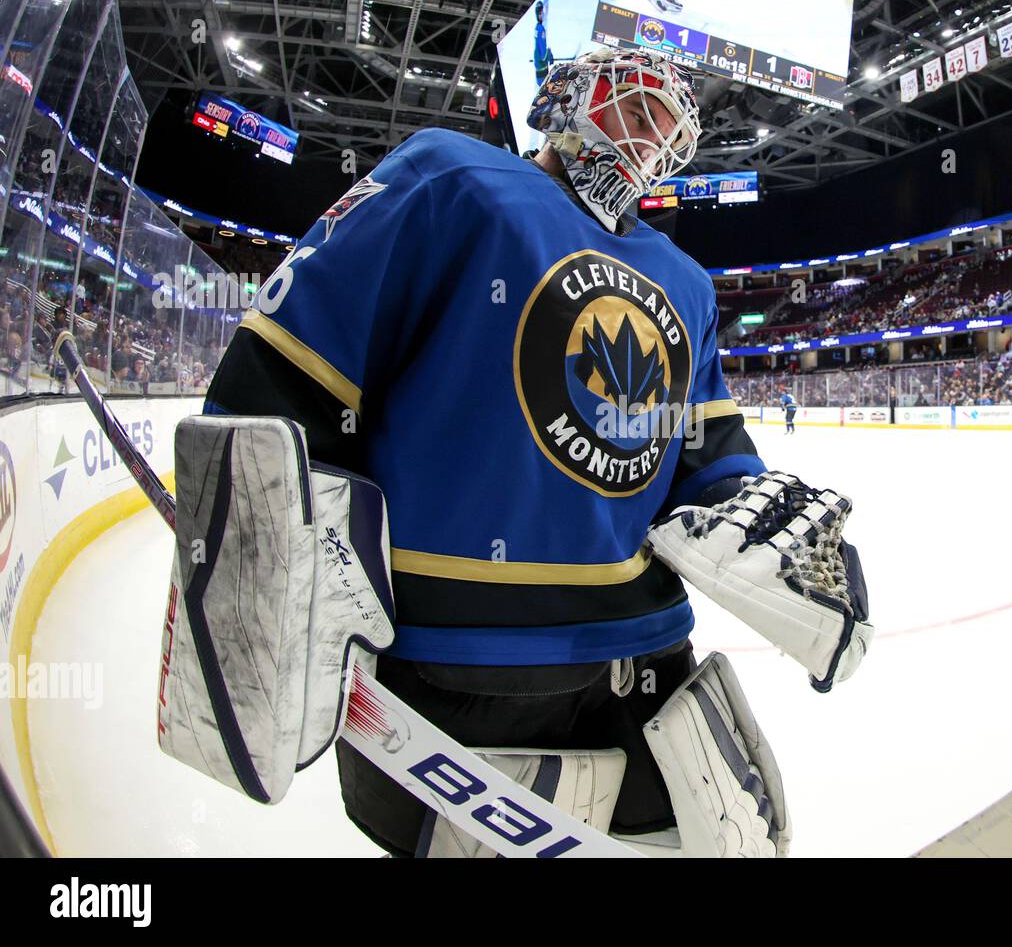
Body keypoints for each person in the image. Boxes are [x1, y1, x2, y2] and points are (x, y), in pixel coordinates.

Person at [201, 47, 870, 858]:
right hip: (459, 659)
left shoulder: (685, 281)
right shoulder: (453, 178)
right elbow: (286, 366)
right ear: (563, 100)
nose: (647, 140)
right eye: (636, 108)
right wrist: (277, 558)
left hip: (647, 650)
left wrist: (772, 531)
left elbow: (706, 449)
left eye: (666, 129)